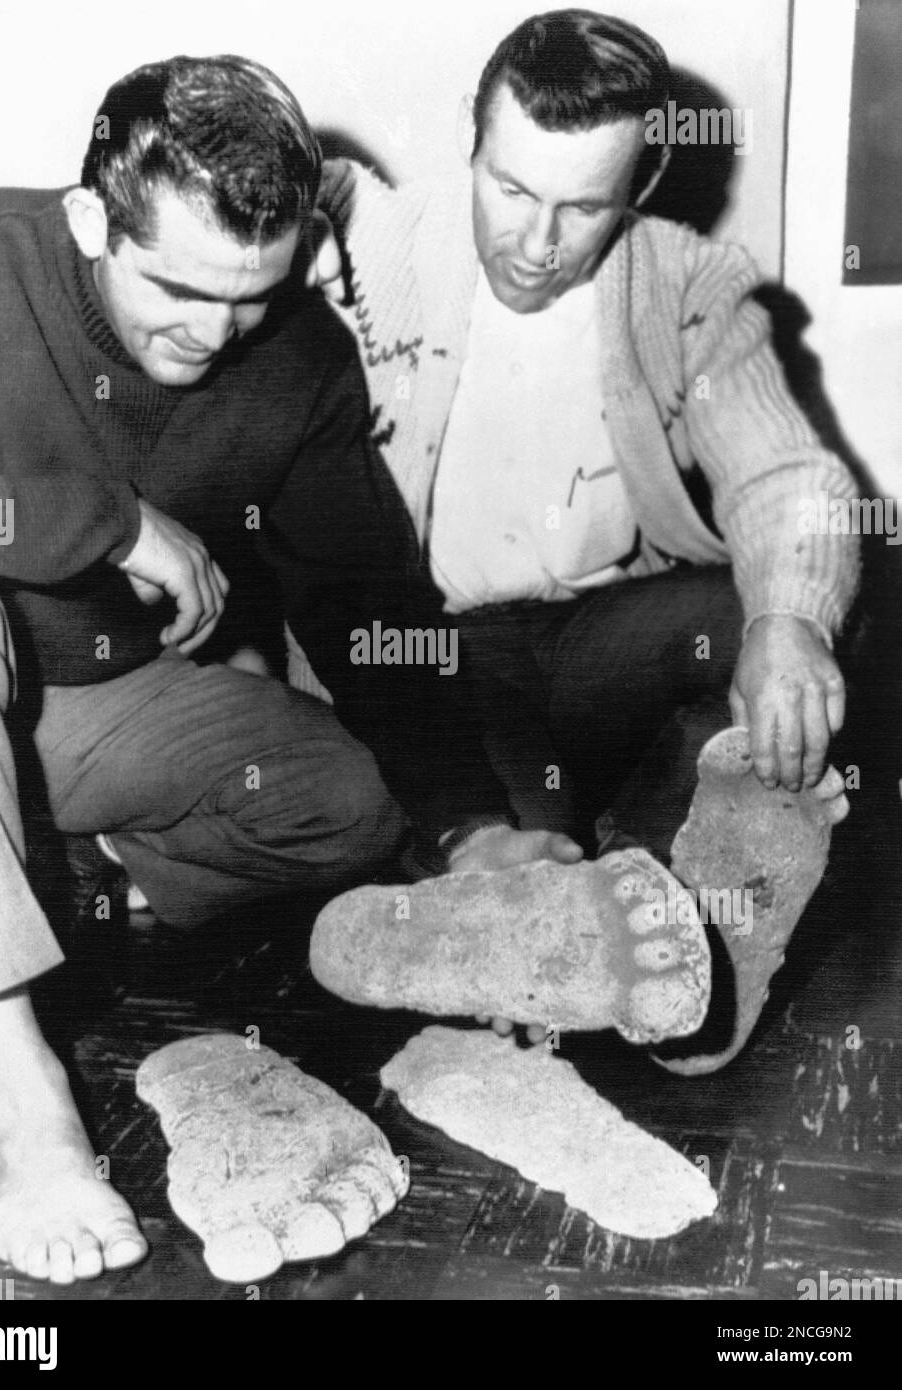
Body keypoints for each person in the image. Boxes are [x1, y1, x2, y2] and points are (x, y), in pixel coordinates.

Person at [0, 54, 569, 1285]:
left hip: (83, 721)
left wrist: (473, 827)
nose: (212, 335)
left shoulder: (299, 351)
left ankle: (22, 873)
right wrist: (110, 521)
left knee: (346, 802)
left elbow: (372, 605)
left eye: (251, 299)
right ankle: (13, 1081)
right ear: (91, 216)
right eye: (177, 287)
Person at [308, 8, 860, 1058]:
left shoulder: (686, 284)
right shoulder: (377, 244)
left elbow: (785, 473)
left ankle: (686, 907)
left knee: (786, 615)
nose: (533, 241)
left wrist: (791, 622)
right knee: (522, 861)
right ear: (469, 143)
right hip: (443, 661)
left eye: (580, 208)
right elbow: (283, 188)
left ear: (640, 191)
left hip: (600, 644)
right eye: (508, 188)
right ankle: (577, 917)